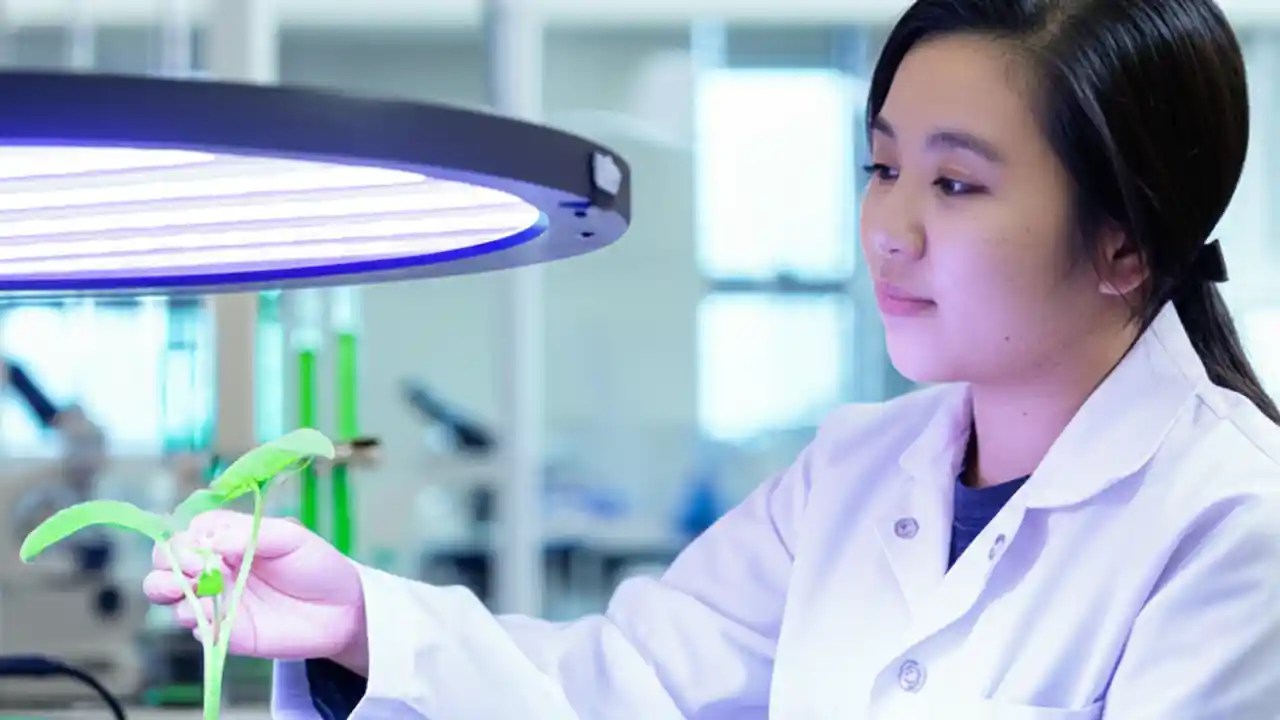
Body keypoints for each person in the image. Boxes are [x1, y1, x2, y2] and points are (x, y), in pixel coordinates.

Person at [144, 0, 1280, 716]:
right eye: (881, 168)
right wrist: (357, 620)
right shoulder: (852, 473)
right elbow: (628, 685)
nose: (889, 229)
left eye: (954, 182)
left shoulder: (1233, 525)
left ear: (1124, 244)